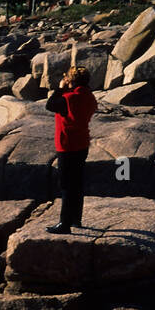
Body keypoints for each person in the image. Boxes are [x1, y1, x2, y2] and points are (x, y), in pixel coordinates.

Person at [43, 65, 97, 234]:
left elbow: (50, 105)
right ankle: (76, 219)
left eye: (67, 78)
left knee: (66, 185)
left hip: (67, 145)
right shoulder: (89, 96)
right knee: (77, 183)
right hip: (82, 144)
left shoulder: (68, 98)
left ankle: (64, 224)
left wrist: (60, 89)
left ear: (71, 81)